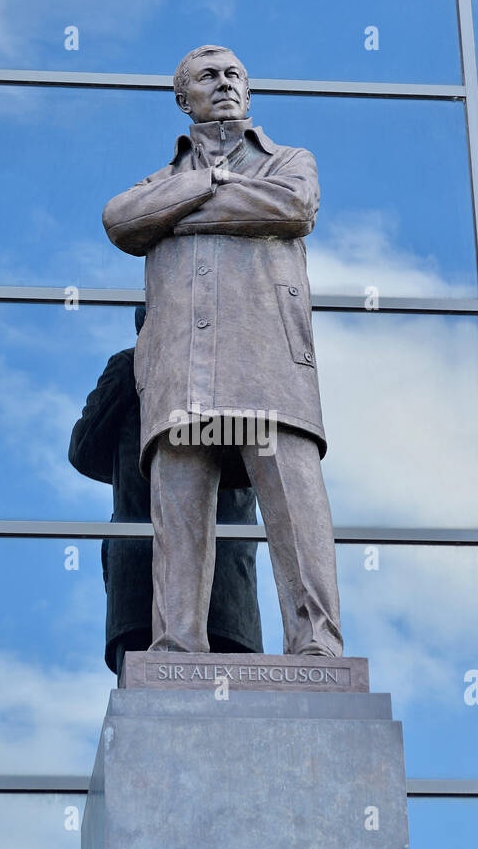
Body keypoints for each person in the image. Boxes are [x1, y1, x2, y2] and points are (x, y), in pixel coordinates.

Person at [102, 45, 343, 658]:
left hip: (267, 365)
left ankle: (316, 642)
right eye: (209, 76)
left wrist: (178, 212)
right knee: (178, 518)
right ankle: (177, 646)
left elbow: (292, 206)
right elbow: (121, 220)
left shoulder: (288, 160)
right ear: (184, 98)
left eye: (235, 74)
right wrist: (210, 184)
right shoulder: (161, 178)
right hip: (182, 374)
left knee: (295, 510)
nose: (226, 83)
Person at [69, 306, 263, 677]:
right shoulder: (234, 374)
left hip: (200, 577)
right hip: (167, 571)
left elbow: (84, 450)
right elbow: (83, 450)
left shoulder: (138, 366)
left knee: (168, 701)